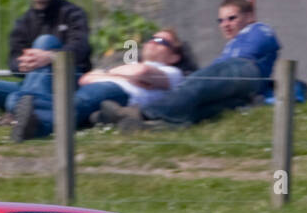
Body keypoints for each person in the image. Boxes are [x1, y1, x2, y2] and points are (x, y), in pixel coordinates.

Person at [100, 0, 279, 131]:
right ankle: (152, 126)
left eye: (232, 18)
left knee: (199, 82)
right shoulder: (232, 46)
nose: (225, 24)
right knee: (205, 106)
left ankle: (140, 113)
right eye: (221, 20)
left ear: (249, 16)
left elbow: (239, 61)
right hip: (243, 86)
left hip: (247, 71)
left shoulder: (259, 30)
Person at [10, 28, 190, 140]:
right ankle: (35, 124)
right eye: (151, 38)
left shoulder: (173, 73)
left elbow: (141, 72)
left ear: (174, 56)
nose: (152, 42)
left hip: (121, 92)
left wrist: (110, 73)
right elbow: (85, 79)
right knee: (73, 108)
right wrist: (123, 74)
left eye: (161, 41)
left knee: (73, 106)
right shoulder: (130, 65)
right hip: (100, 88)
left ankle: (25, 109)